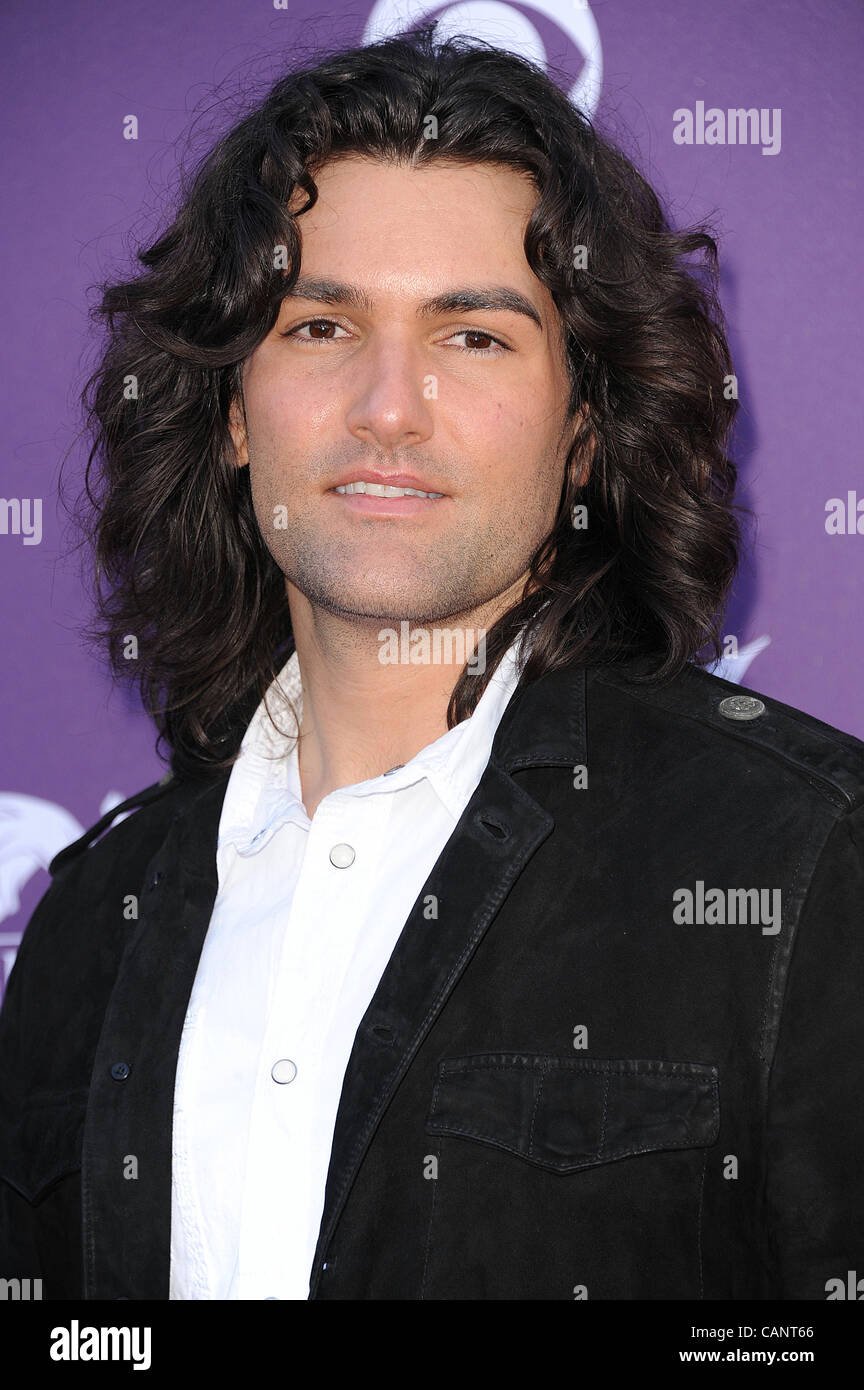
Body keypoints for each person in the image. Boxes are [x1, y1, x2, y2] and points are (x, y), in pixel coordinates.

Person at [1, 22, 862, 1302]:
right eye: (318, 327)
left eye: (474, 337)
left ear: (585, 433)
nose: (389, 404)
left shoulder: (808, 862)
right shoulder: (88, 922)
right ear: (234, 413)